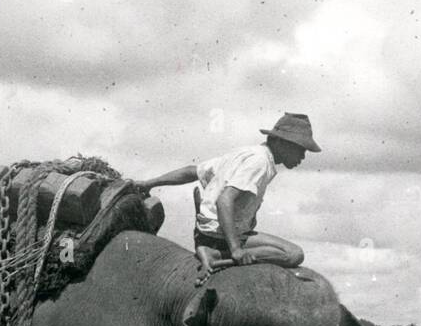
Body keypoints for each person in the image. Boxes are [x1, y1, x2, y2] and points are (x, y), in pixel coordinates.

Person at [133, 112, 320, 284]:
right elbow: (224, 200)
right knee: (294, 254)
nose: (302, 156)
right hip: (220, 234)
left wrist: (149, 183)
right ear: (280, 143)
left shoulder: (247, 153)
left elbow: (193, 171)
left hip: (207, 230)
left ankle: (215, 251)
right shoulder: (260, 163)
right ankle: (218, 256)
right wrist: (236, 249)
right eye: (299, 149)